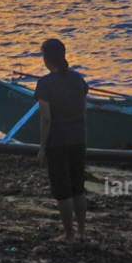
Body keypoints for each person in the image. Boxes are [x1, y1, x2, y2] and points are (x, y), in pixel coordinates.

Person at [34, 38, 88, 243]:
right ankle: (81, 232)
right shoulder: (77, 79)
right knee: (77, 187)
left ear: (47, 59)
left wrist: (41, 148)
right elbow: (84, 112)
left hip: (58, 142)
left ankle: (69, 234)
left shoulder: (45, 83)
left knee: (62, 190)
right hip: (78, 139)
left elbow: (46, 119)